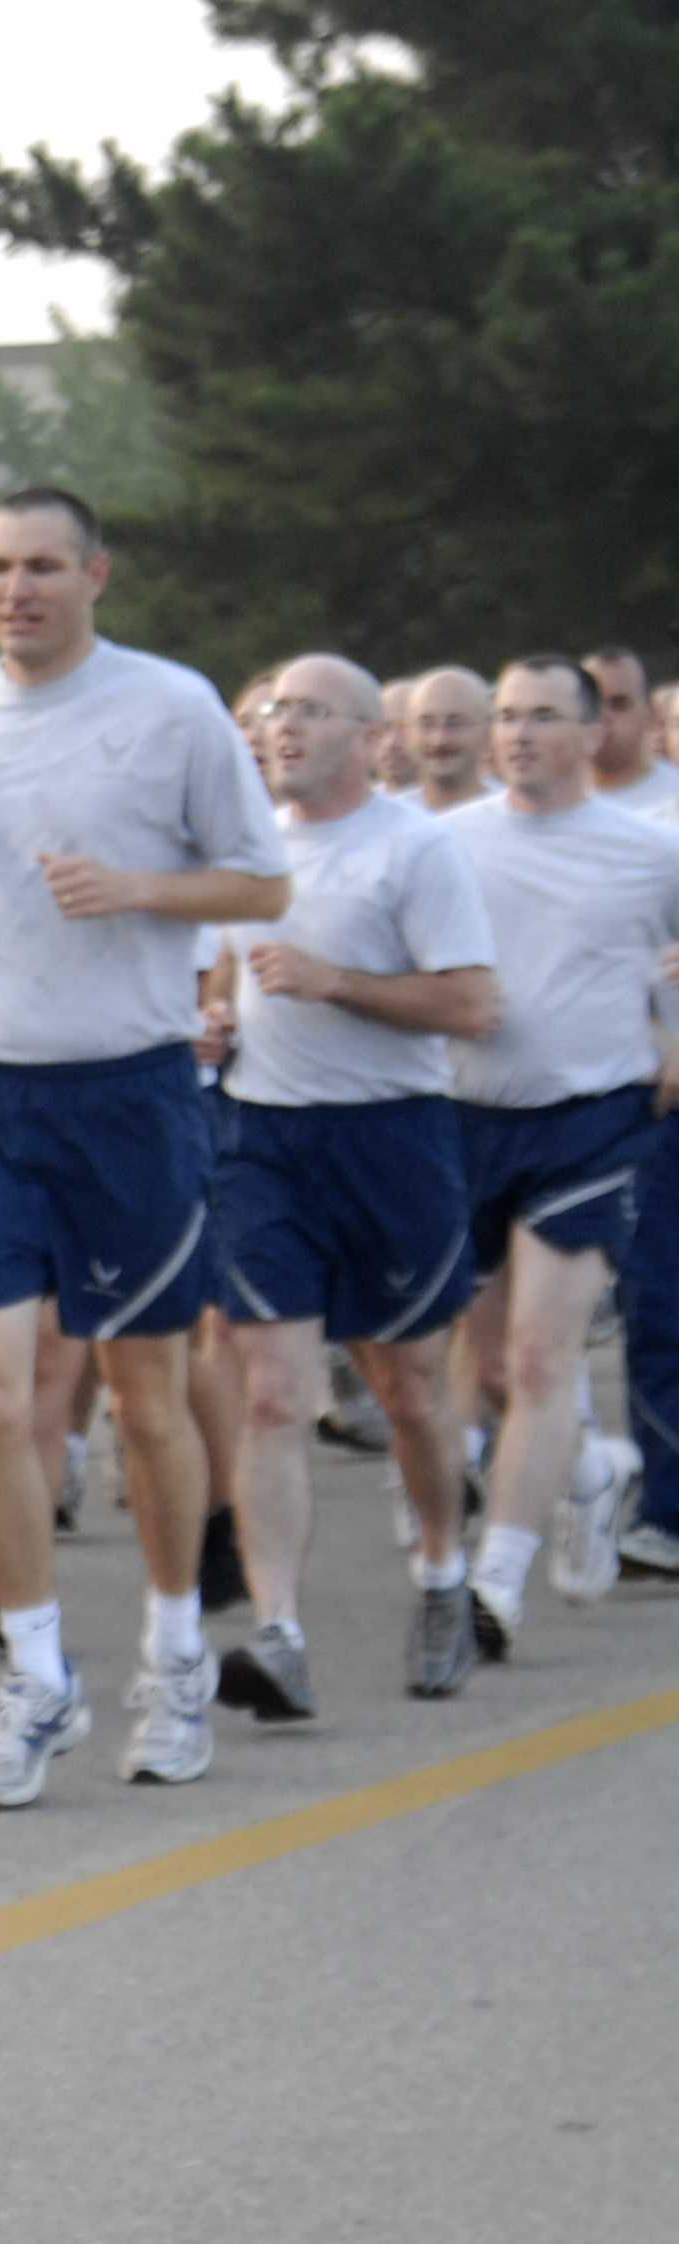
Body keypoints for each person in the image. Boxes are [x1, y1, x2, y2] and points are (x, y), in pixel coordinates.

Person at [0, 486, 290, 1807]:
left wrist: (138, 890)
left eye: (45, 568)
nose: (19, 589)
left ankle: (175, 1653)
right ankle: (37, 1676)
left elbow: (261, 882)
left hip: (129, 1092)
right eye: (0, 568)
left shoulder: (171, 707)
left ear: (96, 574)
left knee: (142, 1399)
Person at [213, 655, 500, 1711]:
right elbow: (218, 980)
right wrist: (211, 1022)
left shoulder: (413, 849)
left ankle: (439, 1573)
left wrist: (333, 983)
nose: (282, 727)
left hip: (392, 1140)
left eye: (308, 711)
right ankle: (277, 1633)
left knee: (409, 1391)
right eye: (275, 710)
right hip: (259, 1141)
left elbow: (472, 1005)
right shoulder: (242, 855)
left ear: (370, 737)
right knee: (275, 1394)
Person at [442, 654, 679, 1657]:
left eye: (542, 717)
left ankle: (492, 1583)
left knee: (542, 1354)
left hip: (590, 1122)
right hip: (459, 1119)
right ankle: (585, 1470)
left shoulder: (647, 851)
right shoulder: (441, 843)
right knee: (482, 1365)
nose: (517, 735)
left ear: (591, 736)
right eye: (505, 718)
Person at [582, 647, 679, 815]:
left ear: (650, 715)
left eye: (619, 704)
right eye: (592, 704)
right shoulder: (545, 801)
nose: (603, 717)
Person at [401, 667, 496, 814]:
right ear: (407, 733)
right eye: (427, 724)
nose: (439, 739)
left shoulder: (518, 819)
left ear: (488, 732)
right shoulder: (386, 823)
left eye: (455, 723)